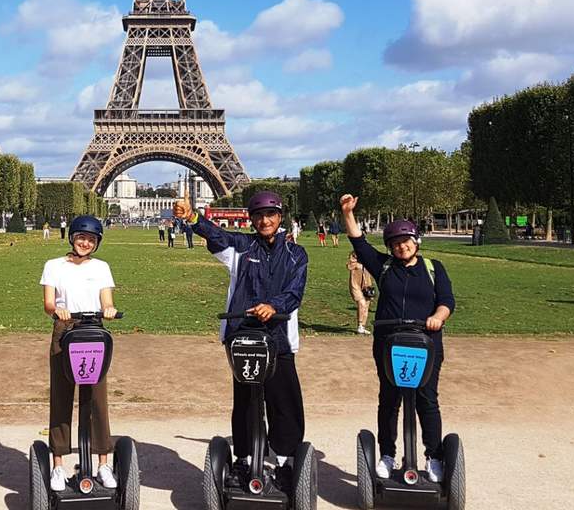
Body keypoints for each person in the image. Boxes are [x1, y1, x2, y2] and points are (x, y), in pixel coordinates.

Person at [174, 192, 307, 474]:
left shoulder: (296, 255)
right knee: (245, 401)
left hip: (280, 336)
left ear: (280, 218)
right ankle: (245, 456)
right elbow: (219, 236)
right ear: (251, 219)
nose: (264, 220)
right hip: (243, 335)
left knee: (283, 398)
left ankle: (284, 457)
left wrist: (274, 306)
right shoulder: (243, 247)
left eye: (270, 215)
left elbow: (295, 292)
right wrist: (193, 218)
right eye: (258, 216)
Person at [339, 193, 454, 483]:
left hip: (426, 342)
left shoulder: (433, 268)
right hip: (389, 342)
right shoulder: (385, 267)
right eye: (395, 244)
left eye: (406, 241)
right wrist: (348, 213)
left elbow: (447, 299)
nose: (402, 247)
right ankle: (387, 454)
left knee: (427, 400)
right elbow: (360, 244)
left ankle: (434, 456)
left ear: (416, 242)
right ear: (390, 247)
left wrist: (438, 317)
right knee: (389, 399)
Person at [40, 215, 119, 491]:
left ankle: (103, 463)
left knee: (97, 399)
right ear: (71, 237)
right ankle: (58, 465)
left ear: (97, 242)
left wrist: (108, 309)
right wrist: (56, 310)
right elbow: (49, 302)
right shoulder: (54, 265)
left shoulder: (102, 267)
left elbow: (107, 300)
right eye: (81, 237)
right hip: (65, 329)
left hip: (93, 330)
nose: (85, 242)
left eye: (91, 239)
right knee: (61, 395)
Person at [346, 251, 374, 334]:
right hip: (355, 285)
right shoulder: (354, 255)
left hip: (367, 285)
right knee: (362, 303)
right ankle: (360, 326)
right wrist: (354, 261)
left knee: (366, 306)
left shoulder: (369, 258)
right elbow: (349, 266)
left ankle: (362, 326)